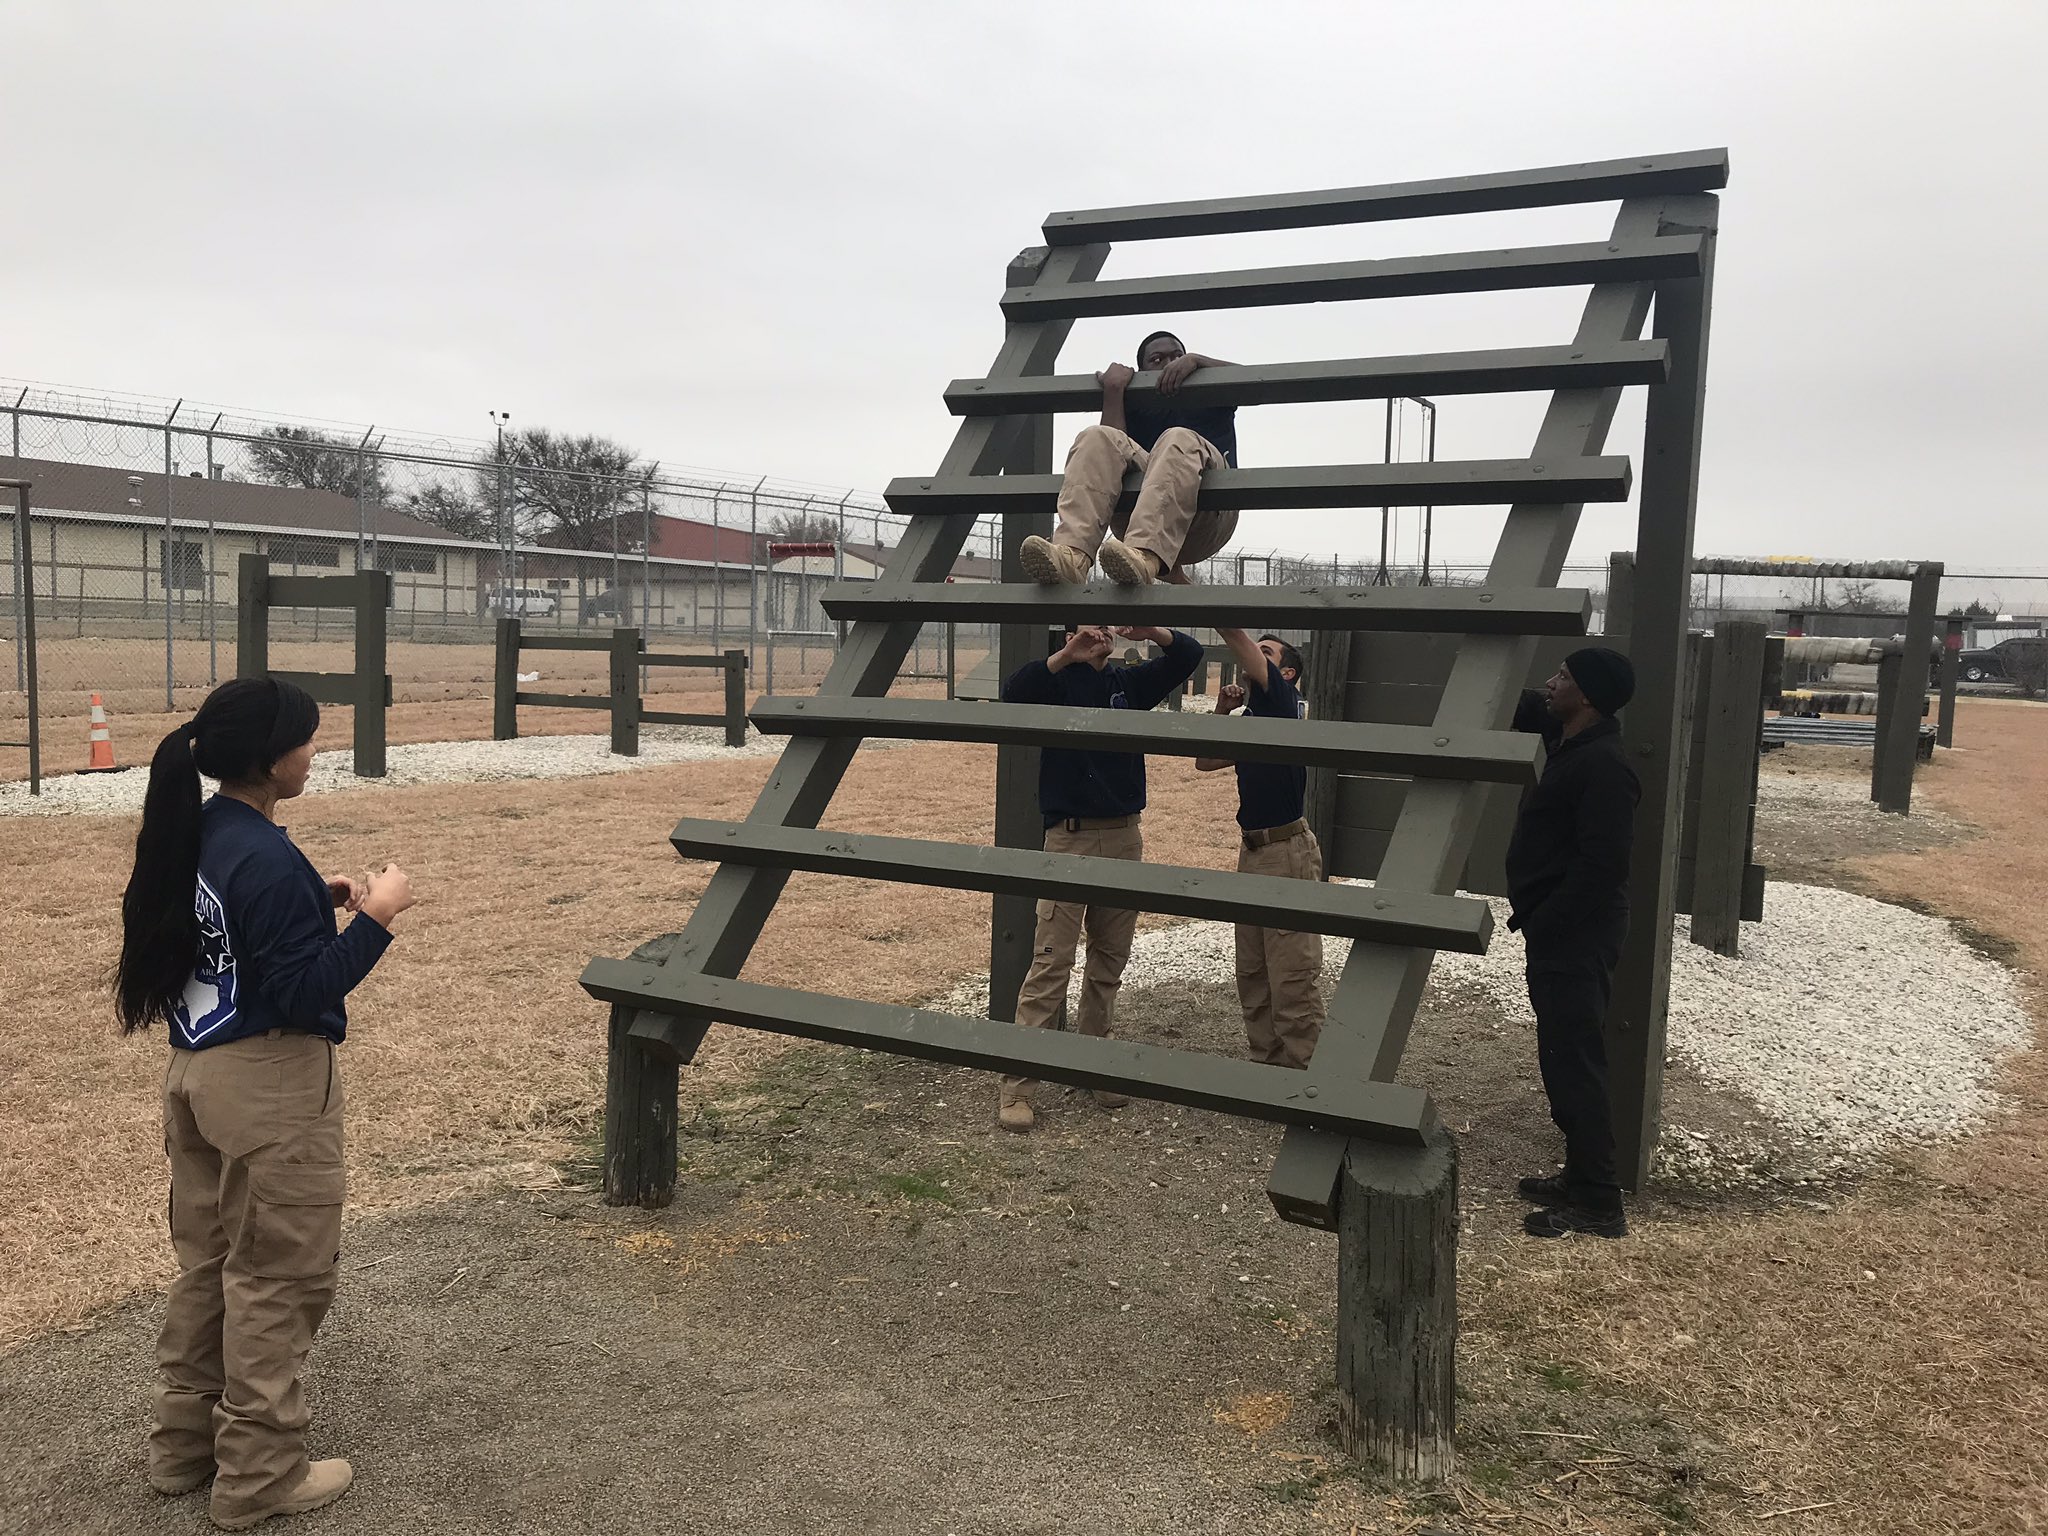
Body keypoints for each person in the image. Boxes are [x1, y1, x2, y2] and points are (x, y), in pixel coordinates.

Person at [113, 677, 416, 1530]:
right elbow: (299, 990)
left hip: (194, 1078)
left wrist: (310, 903)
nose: (312, 755)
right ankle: (259, 1475)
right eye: (306, 743)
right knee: (279, 1275)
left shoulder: (200, 830)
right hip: (271, 1089)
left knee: (209, 1262)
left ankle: (183, 1447)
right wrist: (378, 920)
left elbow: (222, 933)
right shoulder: (265, 855)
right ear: (270, 760)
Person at [996, 622, 1204, 1130]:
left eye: (1106, 628)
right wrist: (1066, 654)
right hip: (1068, 837)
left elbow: (1188, 656)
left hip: (1124, 836)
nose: (1099, 635)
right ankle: (1017, 1086)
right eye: (1088, 628)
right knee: (1051, 962)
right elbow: (1013, 693)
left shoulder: (1129, 686)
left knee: (1109, 959)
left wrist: (1150, 630)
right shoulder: (1055, 683)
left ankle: (1095, 1064)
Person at [1504, 647, 1640, 1240]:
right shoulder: (1574, 742)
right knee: (1561, 1057)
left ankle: (1598, 1201)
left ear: (1585, 696)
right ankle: (1578, 1174)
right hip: (1561, 929)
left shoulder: (1605, 765)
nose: (1549, 683)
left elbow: (1603, 864)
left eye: (1562, 677)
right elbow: (1521, 704)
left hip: (1575, 934)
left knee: (1575, 1062)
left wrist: (1547, 920)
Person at [1195, 629, 1326, 1068]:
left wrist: (1188, 589)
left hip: (1287, 851)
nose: (1255, 656)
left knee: (1292, 976)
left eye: (1266, 653)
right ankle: (1268, 1071)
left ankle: (1309, 1080)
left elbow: (1236, 637)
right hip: (1252, 852)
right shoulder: (1253, 716)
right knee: (1252, 973)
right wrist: (1220, 710)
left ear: (1285, 673)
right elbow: (1206, 760)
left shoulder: (1283, 704)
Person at [1018, 330, 1240, 588]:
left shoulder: (1206, 388)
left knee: (1178, 438)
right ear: (1142, 369)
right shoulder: (1137, 401)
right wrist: (1114, 391)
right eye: (1157, 359)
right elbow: (1110, 448)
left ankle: (1146, 555)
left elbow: (1252, 382)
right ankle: (1073, 555)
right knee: (1096, 436)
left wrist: (1198, 360)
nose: (1169, 364)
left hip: (1209, 518)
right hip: (1137, 524)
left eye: (1176, 355)